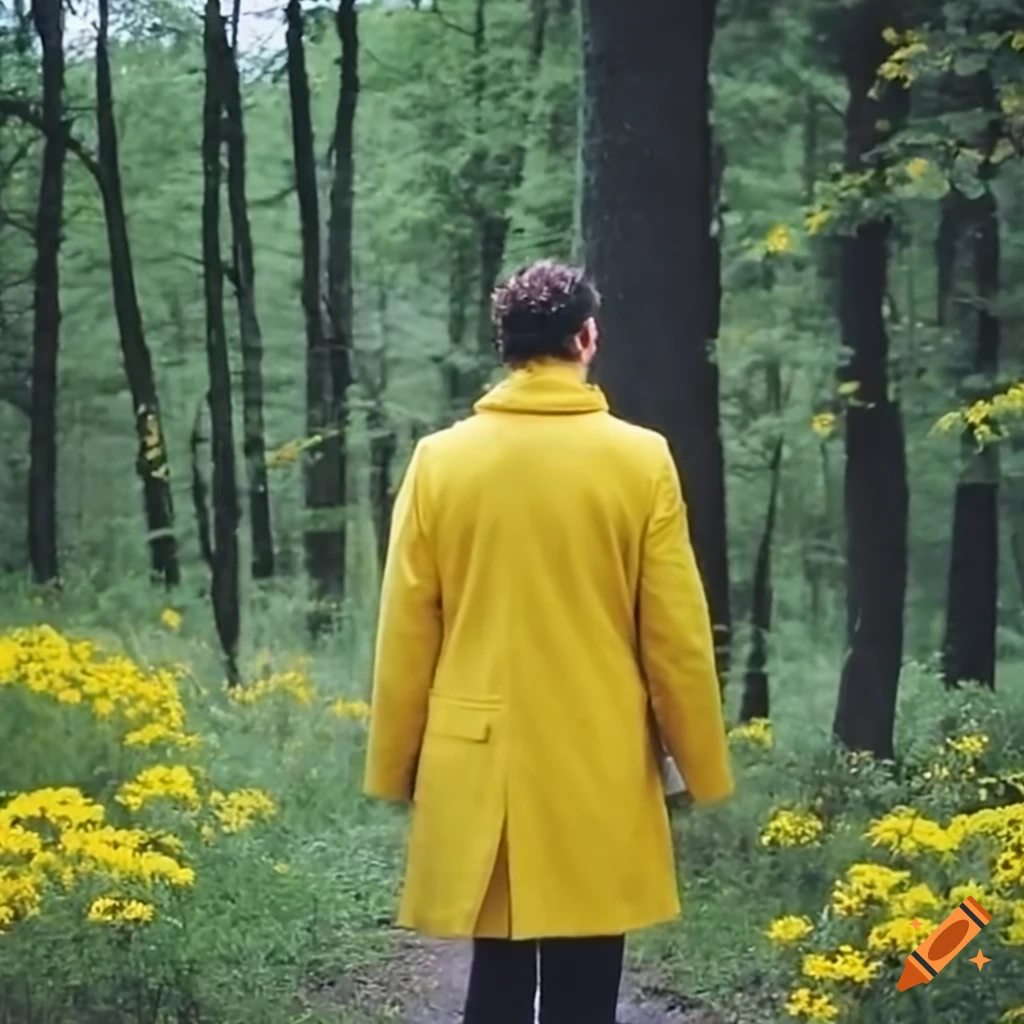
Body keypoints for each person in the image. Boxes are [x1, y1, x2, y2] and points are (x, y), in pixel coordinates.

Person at [363, 259, 734, 1024]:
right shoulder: (640, 459)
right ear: (586, 338)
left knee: (494, 982)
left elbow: (406, 631)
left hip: (482, 763)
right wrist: (698, 762)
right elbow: (676, 638)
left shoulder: (440, 461)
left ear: (506, 346)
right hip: (599, 762)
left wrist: (398, 764)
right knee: (587, 988)